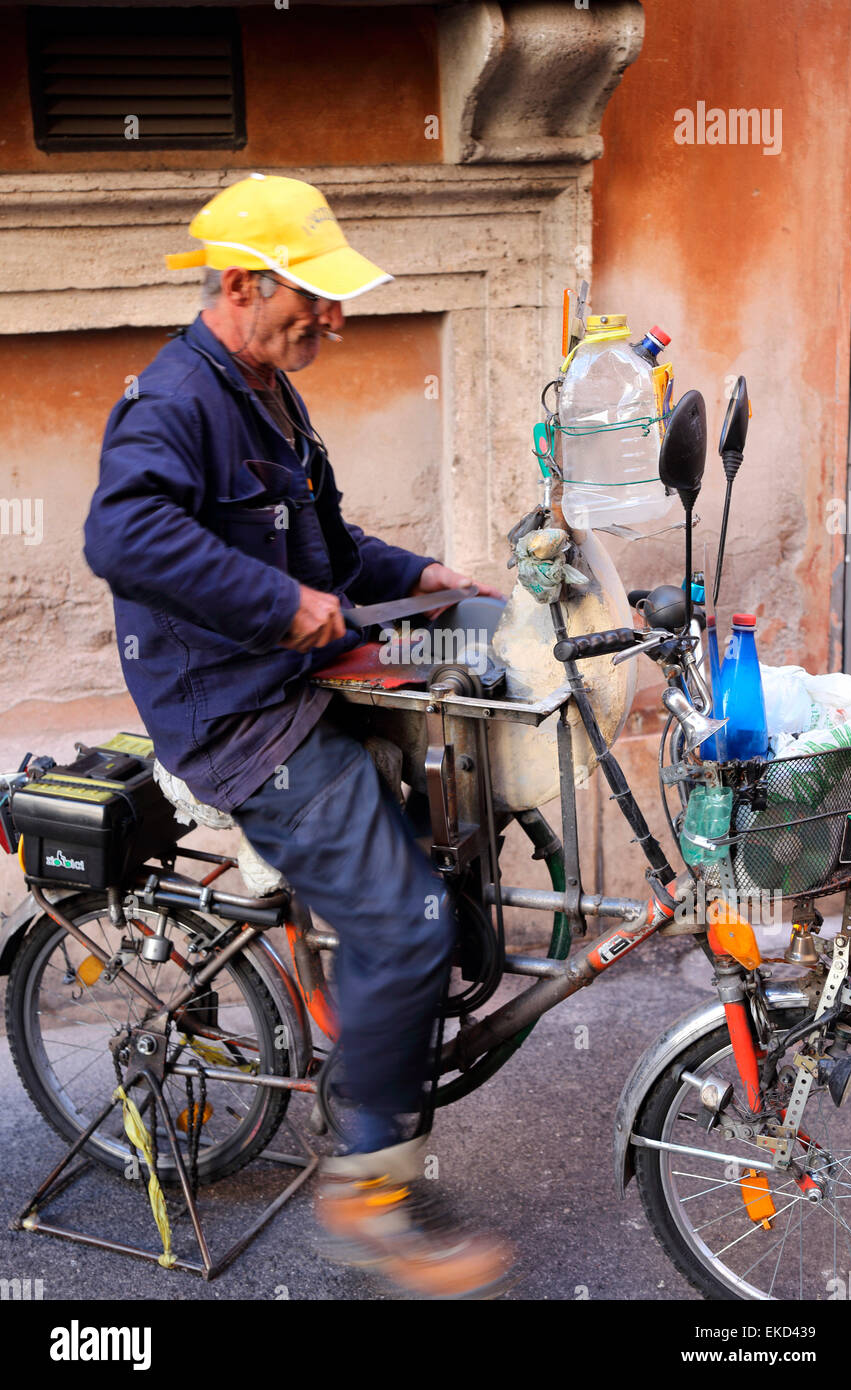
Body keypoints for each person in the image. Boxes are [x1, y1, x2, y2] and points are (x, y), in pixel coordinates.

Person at [83, 173, 512, 1298]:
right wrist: (277, 607)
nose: (335, 317)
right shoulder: (174, 400)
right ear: (238, 285)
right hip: (239, 714)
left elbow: (326, 545)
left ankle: (373, 1010)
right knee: (409, 919)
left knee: (464, 758)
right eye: (312, 297)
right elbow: (121, 535)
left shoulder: (270, 392)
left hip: (303, 677)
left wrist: (421, 575)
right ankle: (366, 1184)